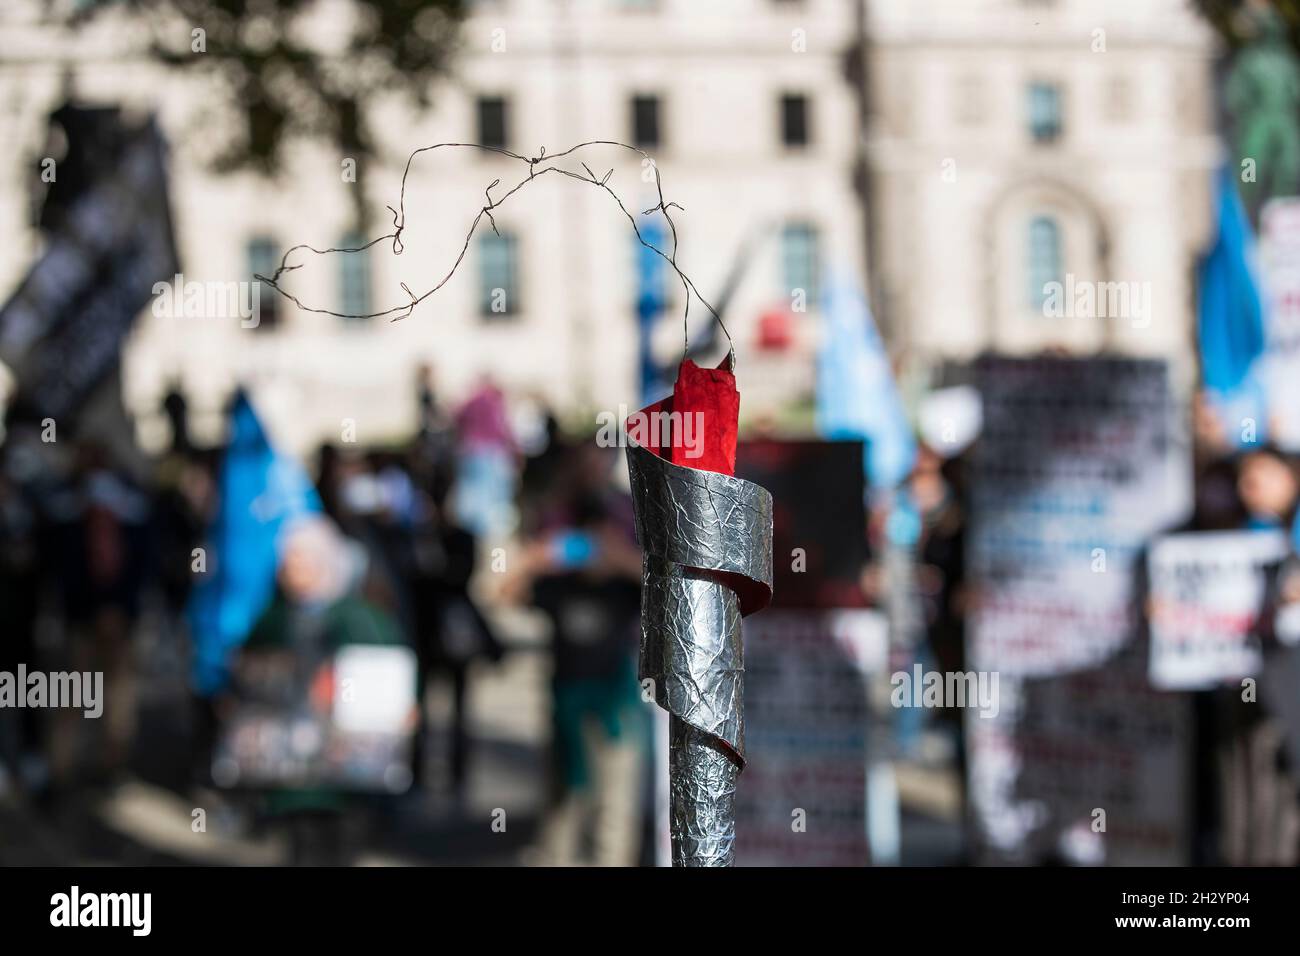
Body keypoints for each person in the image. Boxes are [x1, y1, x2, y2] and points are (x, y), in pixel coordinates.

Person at [230, 515, 409, 864]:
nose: (291, 570)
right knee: (302, 846)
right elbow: (247, 667)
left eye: (301, 560)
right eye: (288, 561)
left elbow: (388, 677)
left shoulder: (361, 618)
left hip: (349, 770)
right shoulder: (275, 617)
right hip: (292, 764)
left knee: (340, 845)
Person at [505, 441, 646, 866]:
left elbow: (662, 580)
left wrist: (614, 555)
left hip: (616, 687)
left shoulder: (628, 512)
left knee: (616, 801)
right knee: (565, 796)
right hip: (567, 686)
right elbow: (507, 590)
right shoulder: (554, 518)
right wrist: (544, 556)